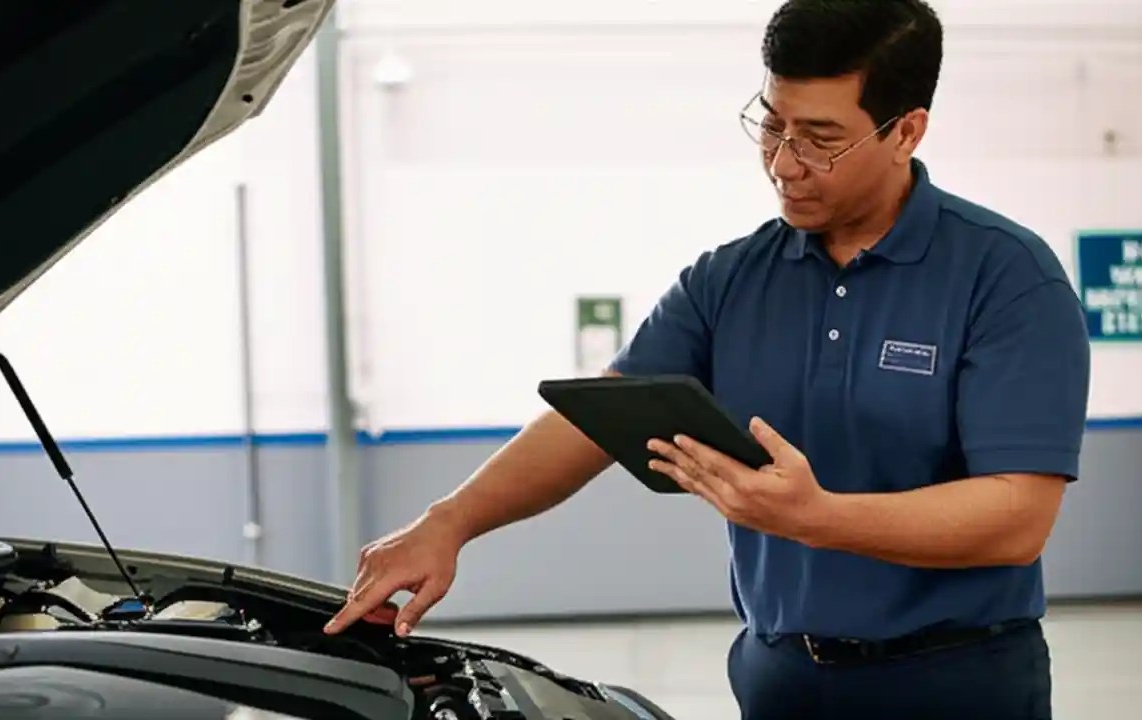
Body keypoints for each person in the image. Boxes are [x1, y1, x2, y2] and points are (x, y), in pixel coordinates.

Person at [325, 1, 1090, 717]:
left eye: (820, 139)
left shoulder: (1005, 277)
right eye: (770, 124)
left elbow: (1017, 517)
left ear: (906, 131)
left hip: (954, 683)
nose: (784, 163)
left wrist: (820, 520)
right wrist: (448, 521)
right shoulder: (730, 280)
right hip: (779, 677)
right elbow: (598, 415)